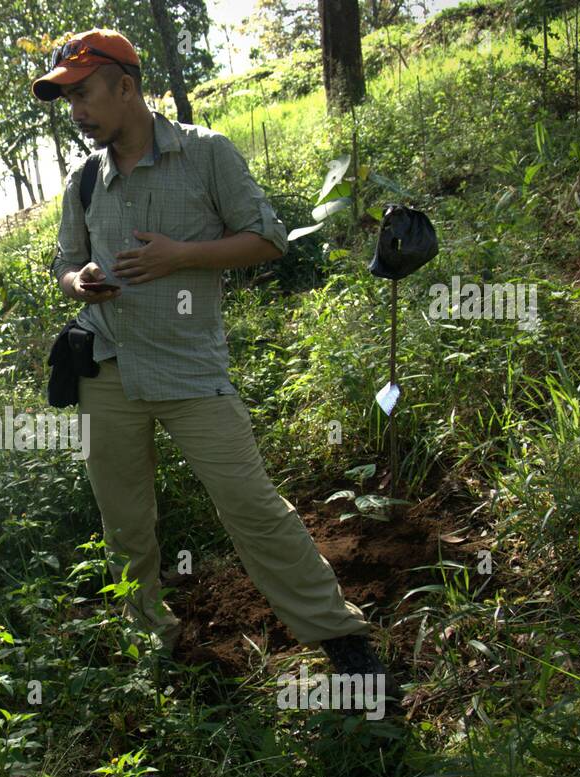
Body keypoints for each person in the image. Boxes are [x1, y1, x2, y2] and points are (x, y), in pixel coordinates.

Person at [35, 29, 396, 693]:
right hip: (107, 370)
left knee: (252, 505)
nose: (77, 110)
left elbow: (269, 238)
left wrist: (182, 255)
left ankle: (341, 639)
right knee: (125, 524)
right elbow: (62, 261)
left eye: (84, 93)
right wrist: (78, 279)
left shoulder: (206, 154)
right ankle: (156, 644)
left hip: (189, 370)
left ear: (126, 85)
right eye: (67, 99)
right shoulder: (84, 178)